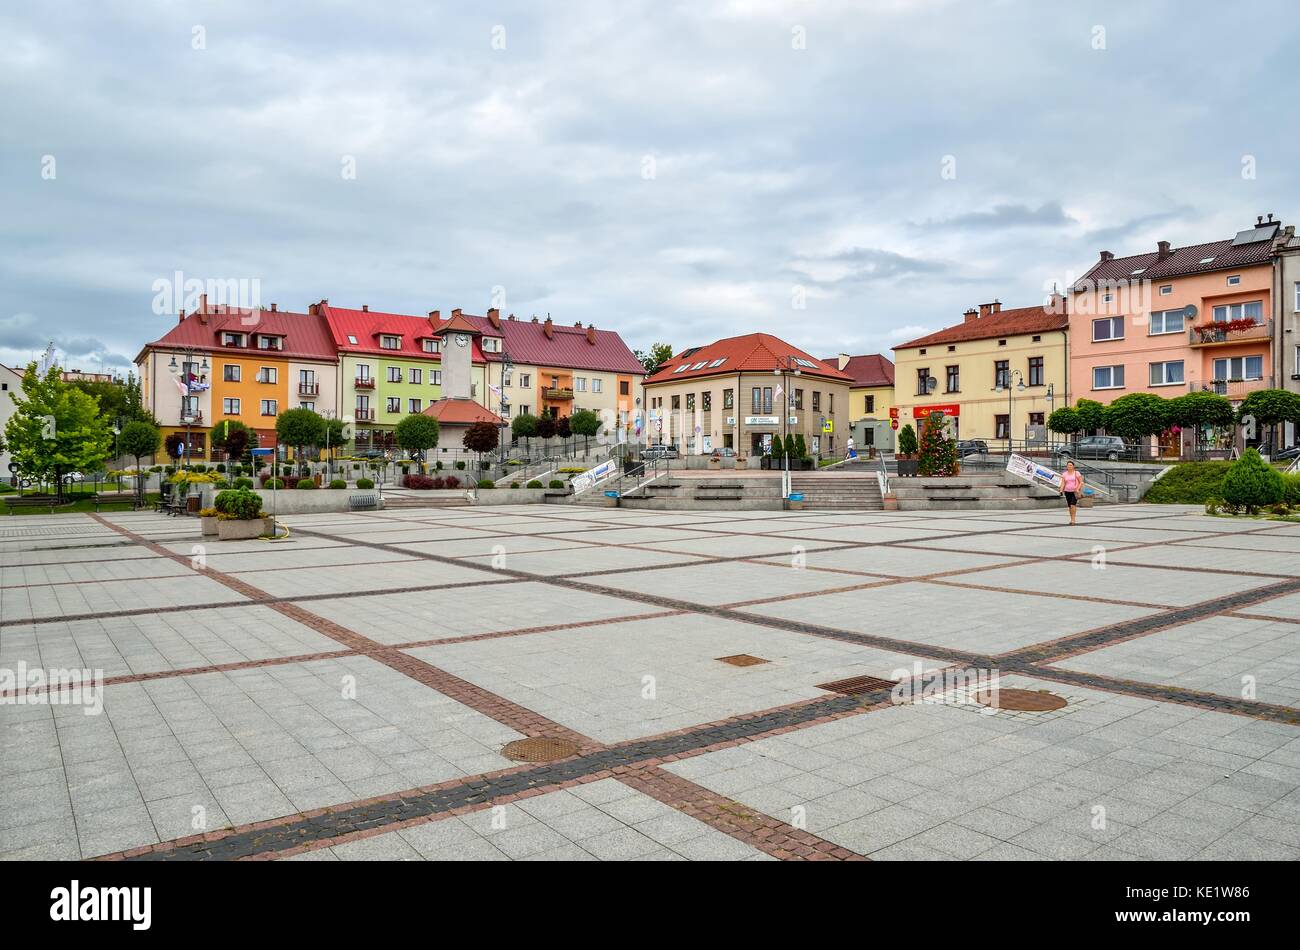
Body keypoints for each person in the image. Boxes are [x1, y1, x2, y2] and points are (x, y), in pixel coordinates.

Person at [1059, 460, 1083, 525]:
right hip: (1067, 491)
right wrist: (1061, 490)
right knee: (1070, 506)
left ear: (1073, 466)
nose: (1069, 466)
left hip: (1075, 492)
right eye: (1068, 465)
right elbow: (1063, 483)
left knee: (1073, 505)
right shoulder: (1064, 474)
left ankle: (1073, 520)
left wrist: (1077, 489)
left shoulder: (1077, 473)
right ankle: (1071, 518)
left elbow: (1081, 482)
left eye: (1070, 465)